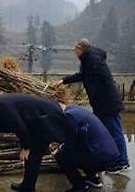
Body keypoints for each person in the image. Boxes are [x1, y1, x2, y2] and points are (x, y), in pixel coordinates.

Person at [52, 38, 130, 173]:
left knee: (115, 132)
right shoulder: (88, 59)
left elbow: (102, 78)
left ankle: (123, 163)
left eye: (74, 50)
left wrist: (96, 93)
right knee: (104, 133)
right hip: (101, 103)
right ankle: (110, 161)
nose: (74, 53)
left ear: (79, 49)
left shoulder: (93, 60)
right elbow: (83, 75)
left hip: (107, 103)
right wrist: (63, 81)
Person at [54, 105, 120, 192]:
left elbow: (69, 145)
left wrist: (59, 149)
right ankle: (93, 179)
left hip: (100, 156)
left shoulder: (69, 116)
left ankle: (80, 188)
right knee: (83, 149)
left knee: (61, 156)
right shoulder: (78, 110)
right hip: (111, 155)